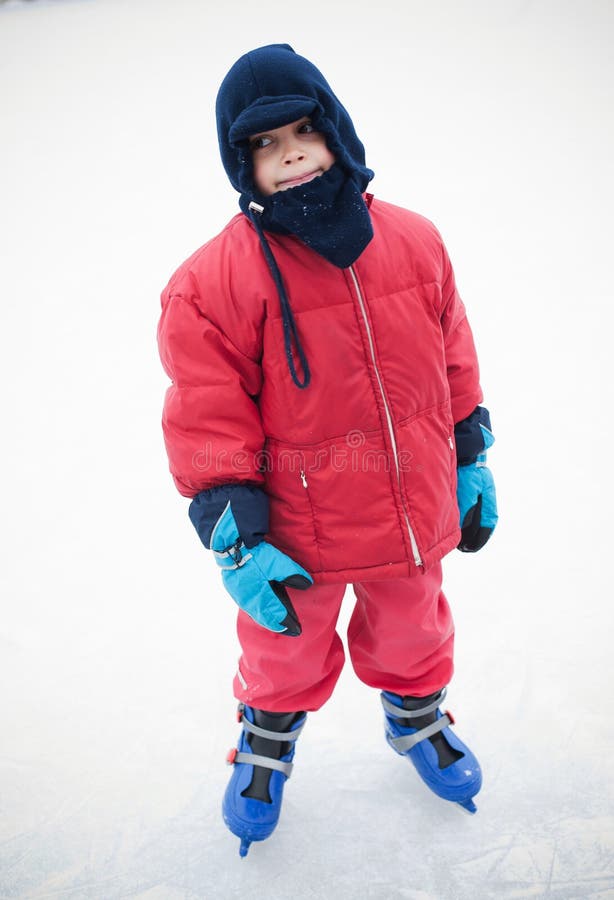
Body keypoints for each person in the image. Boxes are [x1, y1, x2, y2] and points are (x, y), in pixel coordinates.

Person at [157, 44, 498, 858]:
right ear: (243, 164)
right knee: (281, 651)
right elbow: (206, 411)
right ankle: (265, 740)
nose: (293, 151)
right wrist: (233, 526)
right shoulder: (212, 284)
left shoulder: (414, 241)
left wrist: (468, 449)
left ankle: (418, 718)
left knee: (416, 632)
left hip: (411, 513)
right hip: (296, 533)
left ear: (335, 129)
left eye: (304, 129)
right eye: (266, 145)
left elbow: (453, 351)